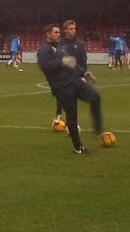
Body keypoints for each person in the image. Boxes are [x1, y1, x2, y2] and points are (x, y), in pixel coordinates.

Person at [37, 22, 105, 154]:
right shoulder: (44, 49)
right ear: (48, 34)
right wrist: (61, 62)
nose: (59, 34)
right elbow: (44, 65)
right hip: (61, 87)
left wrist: (83, 73)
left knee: (95, 97)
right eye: (56, 32)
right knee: (72, 116)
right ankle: (78, 146)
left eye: (59, 32)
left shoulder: (61, 48)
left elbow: (71, 63)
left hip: (75, 81)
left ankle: (98, 129)